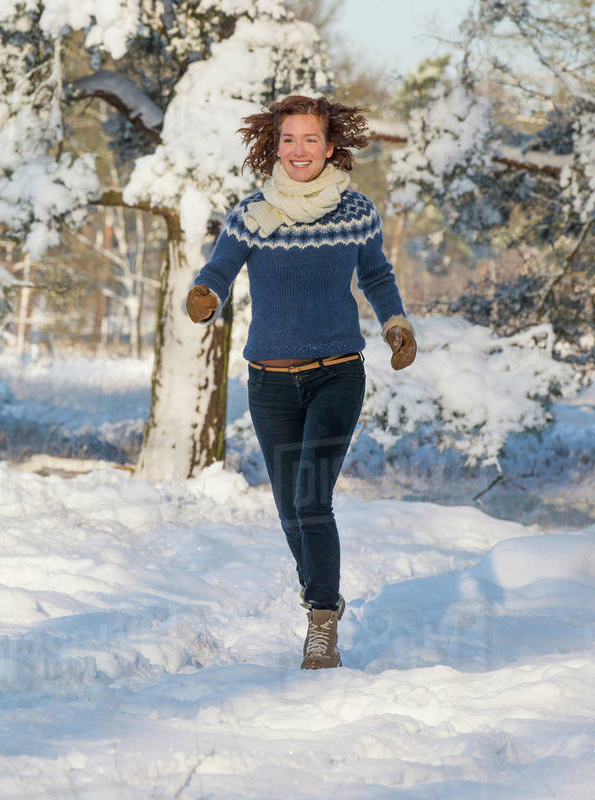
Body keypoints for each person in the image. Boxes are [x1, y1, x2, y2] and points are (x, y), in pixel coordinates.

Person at [185, 95, 416, 670]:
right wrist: (205, 295)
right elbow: (220, 269)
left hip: (337, 375)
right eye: (289, 140)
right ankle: (326, 596)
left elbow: (377, 273)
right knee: (291, 508)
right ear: (274, 145)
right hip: (269, 383)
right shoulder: (253, 216)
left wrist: (395, 322)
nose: (299, 150)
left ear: (330, 145)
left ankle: (320, 620)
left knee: (313, 497)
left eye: (310, 139)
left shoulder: (356, 212)